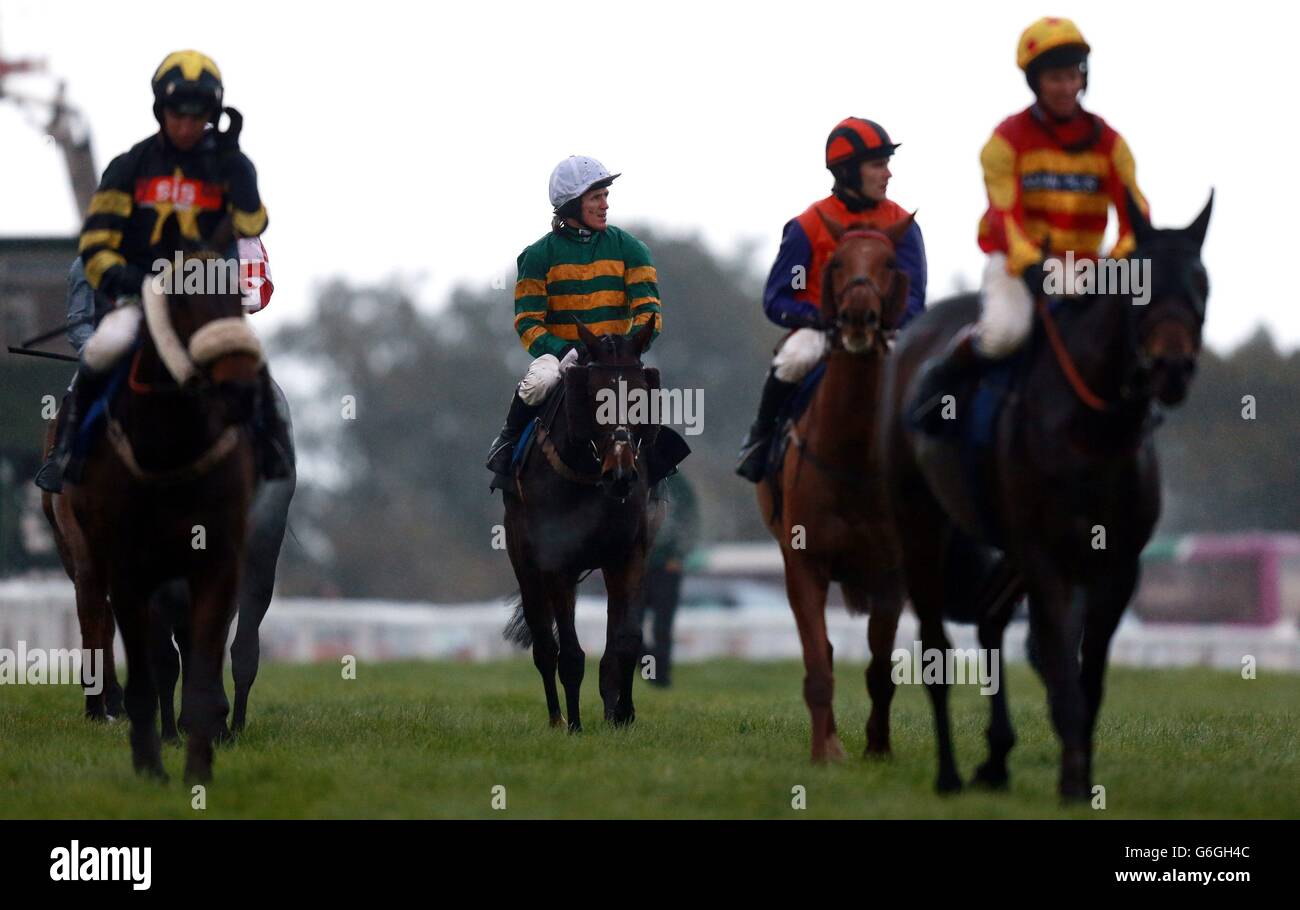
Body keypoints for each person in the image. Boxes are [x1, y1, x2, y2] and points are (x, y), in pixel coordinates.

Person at [36, 49, 288, 492]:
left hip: (203, 297)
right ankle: (69, 454)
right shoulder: (129, 168)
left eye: (199, 115)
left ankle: (272, 450)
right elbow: (95, 244)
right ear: (161, 111)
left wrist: (237, 170)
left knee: (248, 353)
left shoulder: (229, 166)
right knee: (101, 350)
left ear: (213, 113)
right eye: (178, 114)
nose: (188, 125)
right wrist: (127, 281)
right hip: (140, 297)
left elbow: (251, 227)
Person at [908, 17, 1150, 433]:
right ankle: (941, 379)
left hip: (1085, 268)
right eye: (1056, 78)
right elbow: (1004, 214)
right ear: (1036, 83)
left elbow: (1136, 220)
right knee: (1006, 333)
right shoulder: (1006, 140)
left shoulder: (1112, 144)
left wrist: (1122, 264)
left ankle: (1140, 411)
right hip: (1018, 264)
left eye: (1073, 75)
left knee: (1142, 314)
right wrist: (1032, 263)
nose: (1067, 87)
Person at [736, 117, 927, 482]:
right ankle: (761, 437)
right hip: (821, 330)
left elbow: (915, 296)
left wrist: (888, 322)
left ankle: (935, 453)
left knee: (922, 372)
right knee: (792, 359)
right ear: (848, 171)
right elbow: (777, 298)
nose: (888, 174)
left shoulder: (903, 224)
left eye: (888, 164)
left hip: (885, 331)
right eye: (878, 165)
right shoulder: (808, 225)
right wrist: (818, 318)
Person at [486, 155, 662, 481]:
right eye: (596, 198)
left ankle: (662, 473)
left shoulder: (633, 250)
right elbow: (527, 321)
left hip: (615, 358)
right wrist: (563, 348)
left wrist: (626, 347)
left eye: (606, 196)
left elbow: (649, 313)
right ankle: (507, 442)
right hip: (558, 358)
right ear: (571, 205)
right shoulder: (537, 256)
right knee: (539, 382)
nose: (605, 205)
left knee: (645, 388)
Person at [640, 471, 700, 687]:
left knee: (662, 627)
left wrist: (678, 555)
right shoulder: (632, 474)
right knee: (630, 622)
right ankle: (648, 669)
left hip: (666, 566)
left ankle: (661, 678)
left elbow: (689, 519)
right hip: (637, 566)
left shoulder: (678, 483)